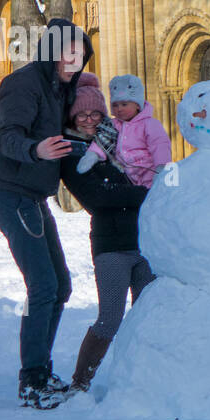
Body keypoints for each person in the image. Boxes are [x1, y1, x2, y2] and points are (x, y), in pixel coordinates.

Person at [0, 17, 92, 409]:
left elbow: (62, 138)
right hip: (13, 196)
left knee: (60, 285)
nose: (75, 62)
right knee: (43, 286)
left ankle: (41, 371)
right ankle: (31, 381)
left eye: (81, 55)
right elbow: (7, 136)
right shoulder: (23, 85)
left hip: (34, 199)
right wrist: (35, 151)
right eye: (69, 53)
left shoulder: (57, 89)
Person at [60, 73, 156, 392]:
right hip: (112, 247)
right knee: (110, 319)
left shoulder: (123, 140)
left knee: (148, 316)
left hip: (144, 243)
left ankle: (143, 379)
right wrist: (147, 192)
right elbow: (98, 199)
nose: (89, 119)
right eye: (82, 114)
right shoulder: (74, 155)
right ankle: (80, 381)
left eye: (95, 113)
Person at [78, 73, 171, 189]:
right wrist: (92, 155)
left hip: (148, 172)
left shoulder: (149, 124)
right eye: (115, 105)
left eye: (124, 104)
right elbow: (102, 141)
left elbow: (160, 145)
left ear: (137, 105)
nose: (119, 109)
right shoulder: (114, 125)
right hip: (128, 176)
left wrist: (162, 167)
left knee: (151, 196)